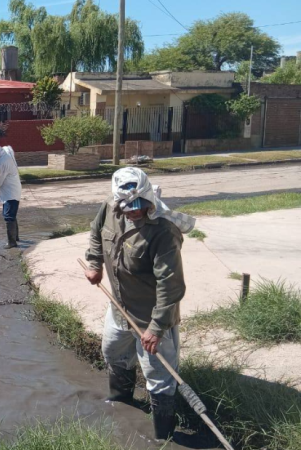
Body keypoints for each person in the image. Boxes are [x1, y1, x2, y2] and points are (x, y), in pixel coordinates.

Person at [84, 167, 196, 441]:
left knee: (159, 377)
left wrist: (156, 328)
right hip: (119, 308)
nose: (134, 211)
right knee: (113, 353)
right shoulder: (109, 208)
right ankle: (122, 405)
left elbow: (172, 286)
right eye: (128, 207)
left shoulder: (163, 232)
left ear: (148, 197)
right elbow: (96, 233)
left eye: (139, 206)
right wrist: (94, 263)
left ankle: (163, 437)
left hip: (152, 316)